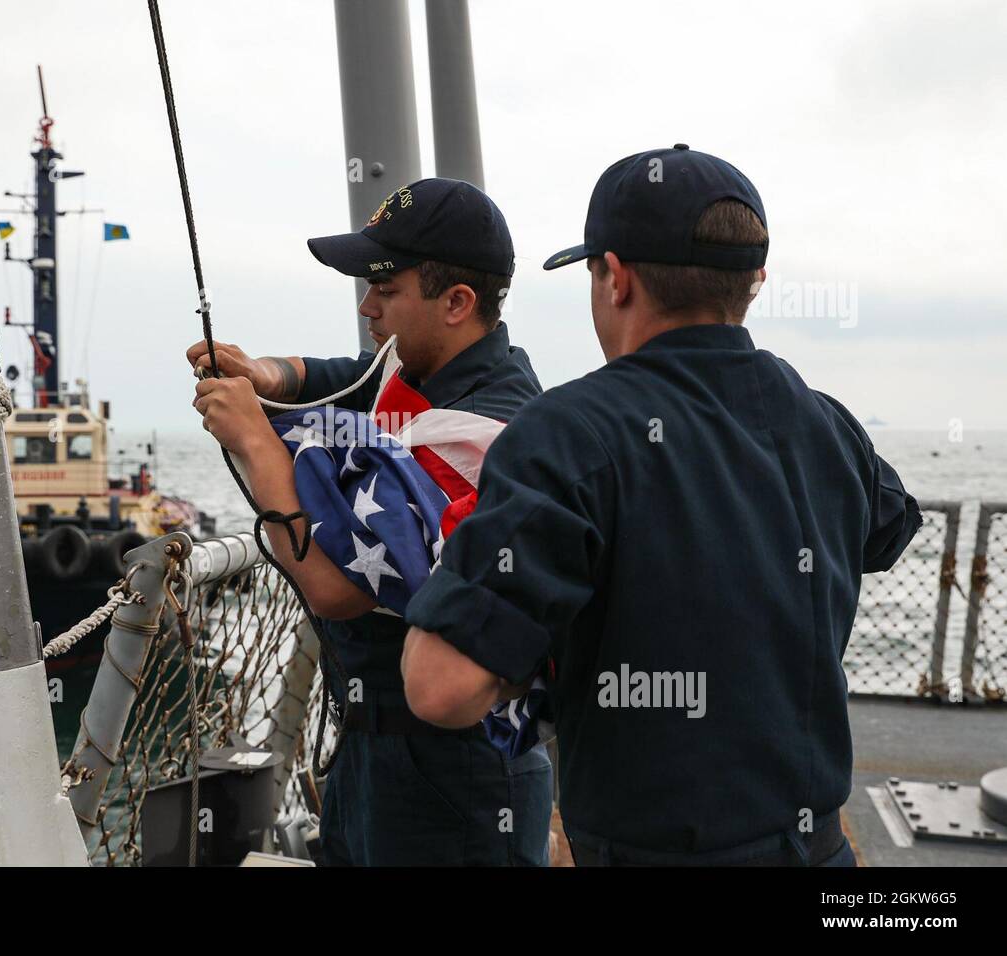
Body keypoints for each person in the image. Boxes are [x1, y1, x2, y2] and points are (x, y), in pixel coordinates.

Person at [400, 146, 923, 866]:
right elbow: (890, 530)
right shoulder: (824, 422)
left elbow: (440, 688)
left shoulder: (564, 433)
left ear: (615, 279)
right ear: (752, 281)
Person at [189, 177, 553, 866]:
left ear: (456, 302)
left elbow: (337, 588)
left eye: (385, 289)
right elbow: (346, 376)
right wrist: (263, 375)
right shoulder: (426, 368)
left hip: (453, 777)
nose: (368, 306)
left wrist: (259, 443)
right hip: (373, 751)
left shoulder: (481, 434)